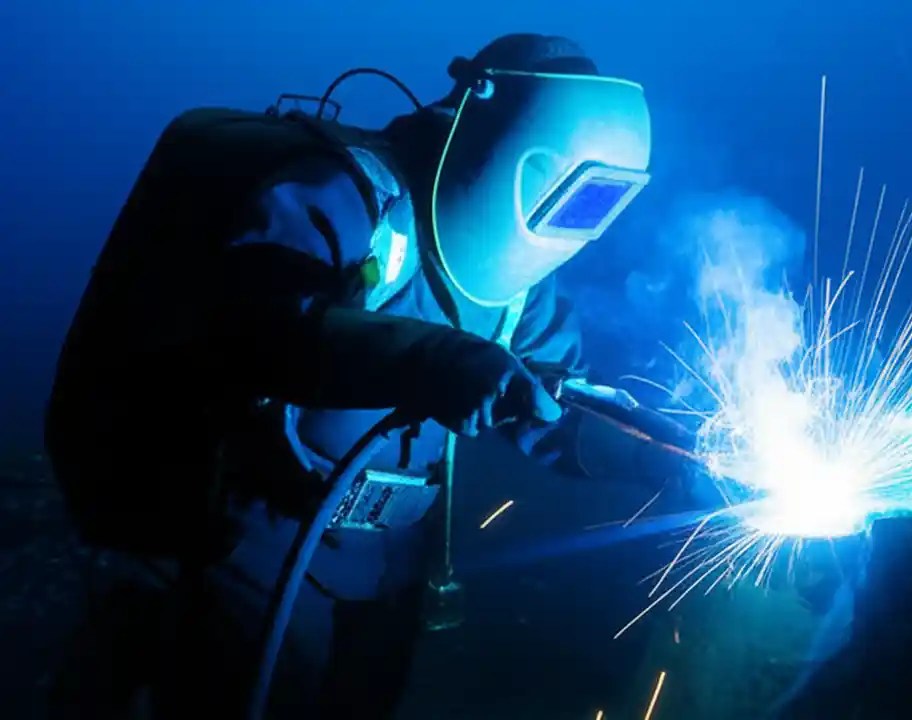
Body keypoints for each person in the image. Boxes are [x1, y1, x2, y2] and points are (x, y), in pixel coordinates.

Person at [45, 33, 691, 719]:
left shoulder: (520, 291)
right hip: (249, 536)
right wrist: (434, 360)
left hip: (387, 564)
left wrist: (653, 457)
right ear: (510, 145)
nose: (571, 222)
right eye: (571, 195)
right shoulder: (343, 199)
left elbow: (550, 404)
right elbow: (263, 324)